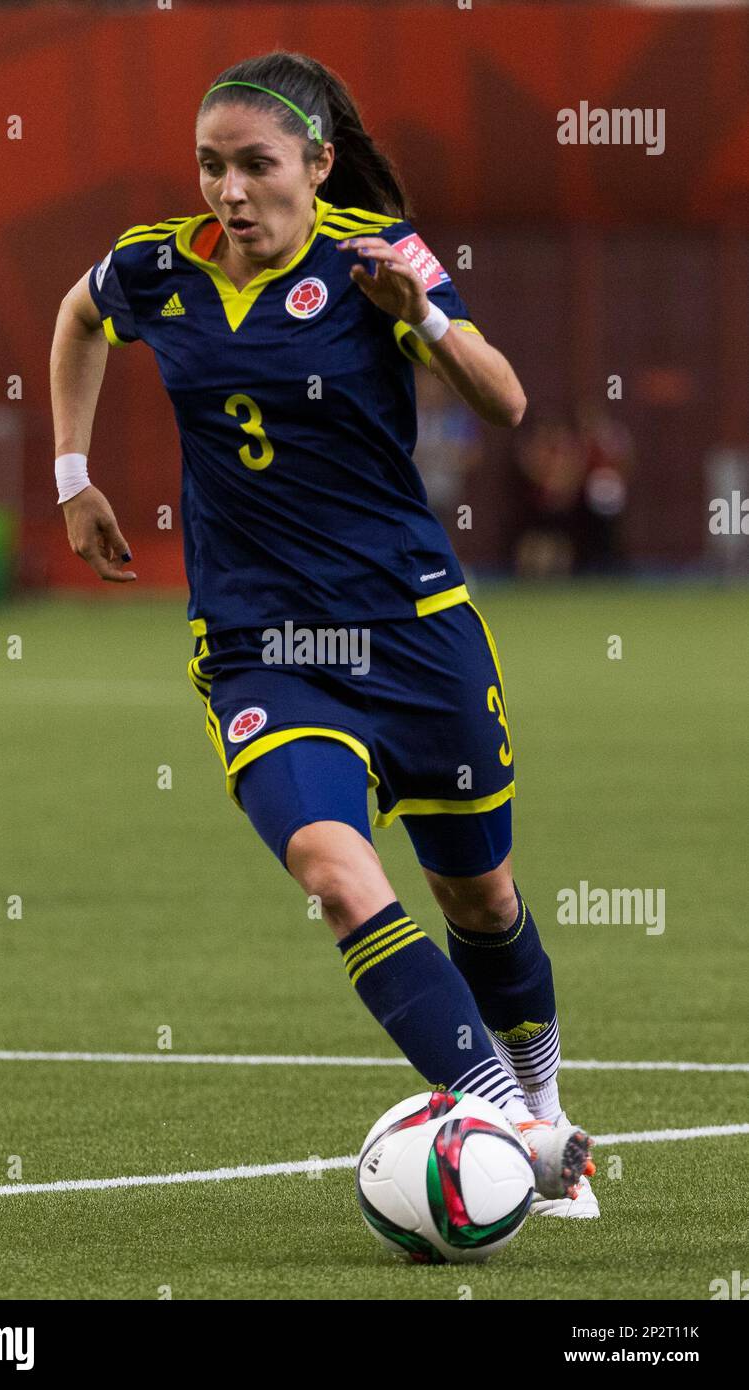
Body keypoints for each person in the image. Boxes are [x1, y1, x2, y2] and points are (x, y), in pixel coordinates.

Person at [50, 50, 596, 1215]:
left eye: (255, 165)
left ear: (316, 163)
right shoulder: (156, 266)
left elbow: (503, 401)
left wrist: (423, 318)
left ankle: (539, 1093)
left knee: (479, 901)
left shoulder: (376, 256)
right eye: (210, 165)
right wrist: (70, 474)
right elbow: (77, 315)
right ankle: (510, 1130)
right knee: (336, 875)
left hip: (412, 631)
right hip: (261, 647)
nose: (229, 190)